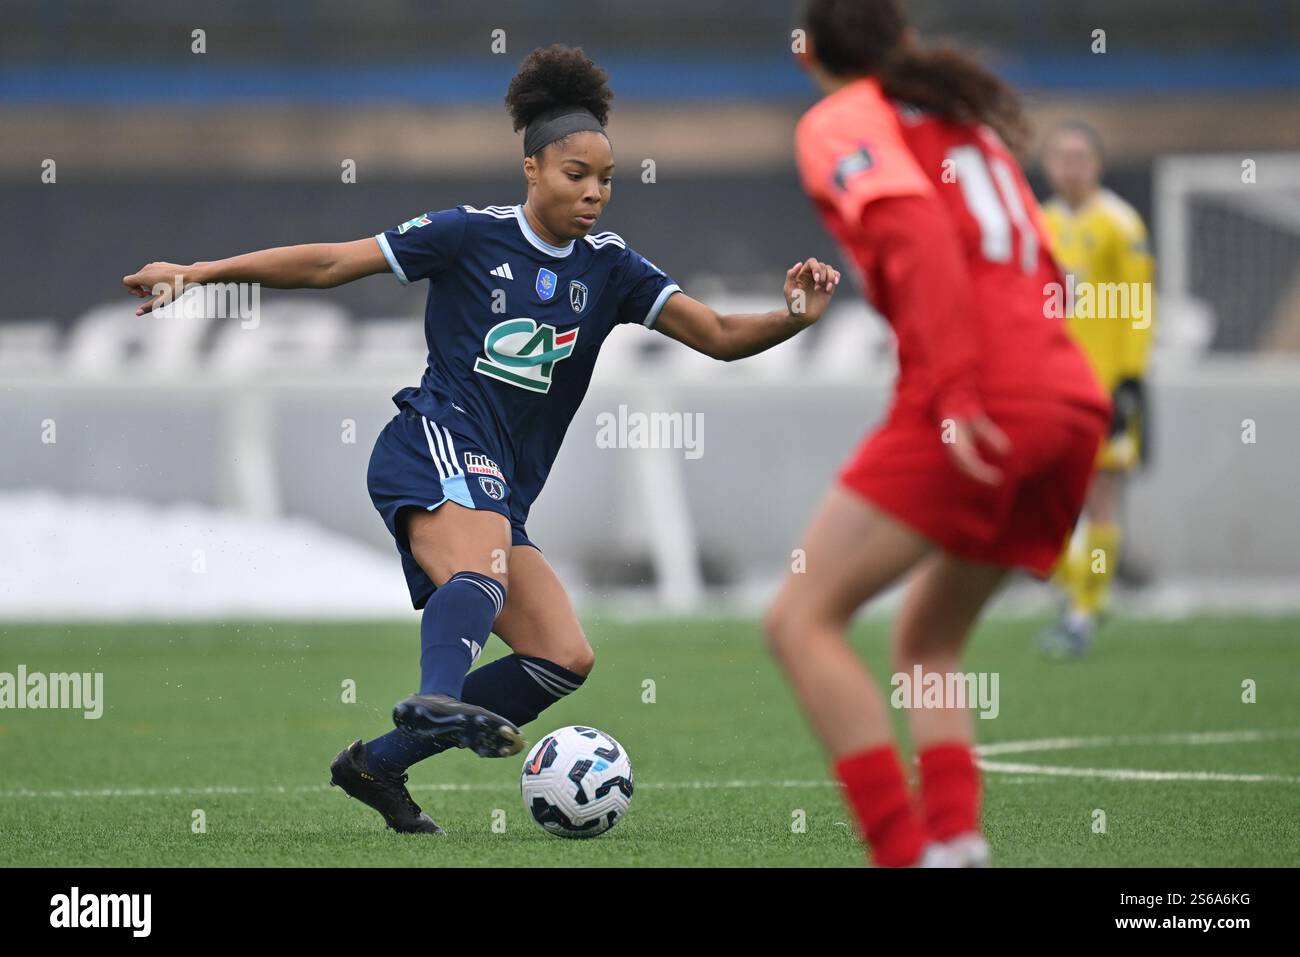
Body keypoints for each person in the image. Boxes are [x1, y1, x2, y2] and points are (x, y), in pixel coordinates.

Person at [122, 43, 840, 835]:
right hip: (432, 440)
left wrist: (792, 318)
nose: (595, 193)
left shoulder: (612, 269)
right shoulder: (466, 234)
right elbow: (331, 263)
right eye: (577, 175)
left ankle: (379, 763)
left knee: (562, 655)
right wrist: (198, 272)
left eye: (606, 179)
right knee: (485, 562)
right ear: (532, 169)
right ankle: (436, 695)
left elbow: (717, 333)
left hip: (498, 487)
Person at [764, 0, 1110, 866]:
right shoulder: (965, 129)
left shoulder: (843, 118)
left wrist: (956, 391)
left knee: (801, 619)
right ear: (905, 42)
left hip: (981, 397)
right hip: (1069, 402)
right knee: (927, 640)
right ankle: (957, 843)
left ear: (808, 55)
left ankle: (904, 853)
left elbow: (917, 235)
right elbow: (1042, 264)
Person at [1039, 121, 1155, 656]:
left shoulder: (1119, 224)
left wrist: (1130, 377)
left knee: (1100, 496)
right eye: (1061, 156)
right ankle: (1080, 591)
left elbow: (1138, 305)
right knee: (1040, 501)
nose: (1070, 166)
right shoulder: (1039, 223)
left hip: (1105, 385)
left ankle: (1086, 609)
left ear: (1098, 165)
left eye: (1080, 156)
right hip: (1047, 387)